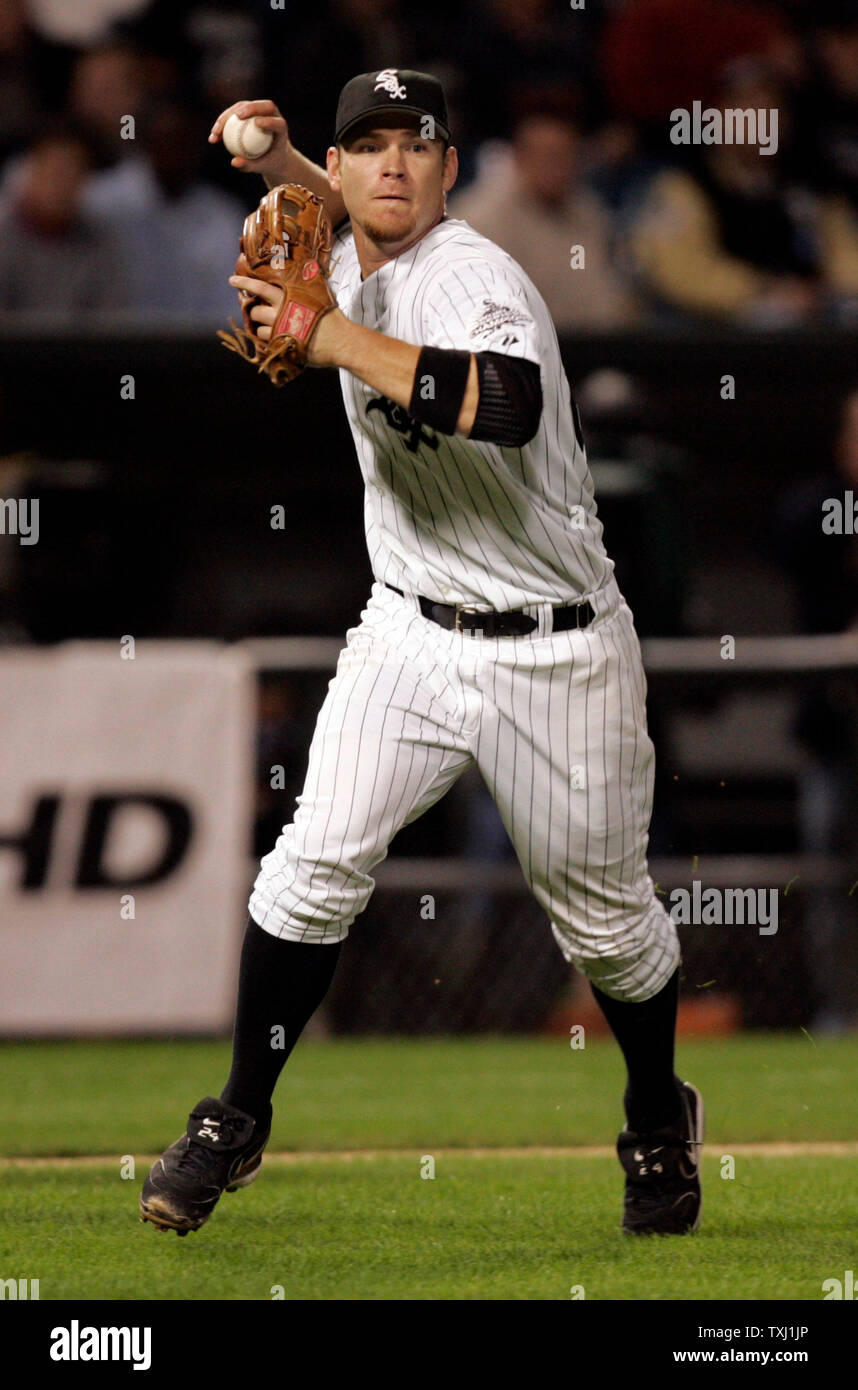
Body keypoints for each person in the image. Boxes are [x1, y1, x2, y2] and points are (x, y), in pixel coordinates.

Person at [140, 69, 703, 1239]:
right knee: (308, 869)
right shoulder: (338, 235)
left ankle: (656, 1105)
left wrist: (334, 337)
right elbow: (333, 210)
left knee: (609, 926)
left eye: (418, 143)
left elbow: (509, 406)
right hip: (407, 624)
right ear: (344, 168)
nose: (392, 163)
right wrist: (279, 165)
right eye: (369, 145)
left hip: (557, 647)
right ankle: (236, 1115)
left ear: (452, 168)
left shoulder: (476, 272)